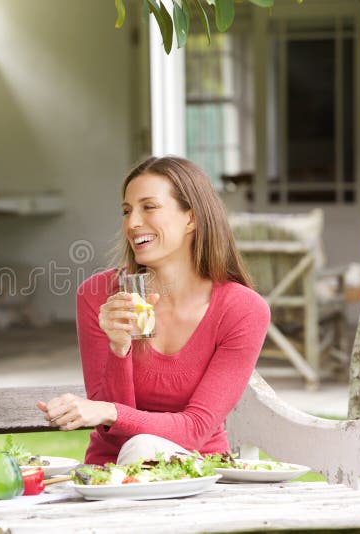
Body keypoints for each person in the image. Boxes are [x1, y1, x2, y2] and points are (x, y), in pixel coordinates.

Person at [37, 156, 269, 465]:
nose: (132, 223)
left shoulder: (242, 309)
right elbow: (114, 435)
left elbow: (196, 427)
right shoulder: (98, 297)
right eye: (127, 210)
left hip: (201, 476)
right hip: (114, 476)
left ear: (192, 218)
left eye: (149, 207)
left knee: (147, 446)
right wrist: (119, 349)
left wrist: (108, 410)